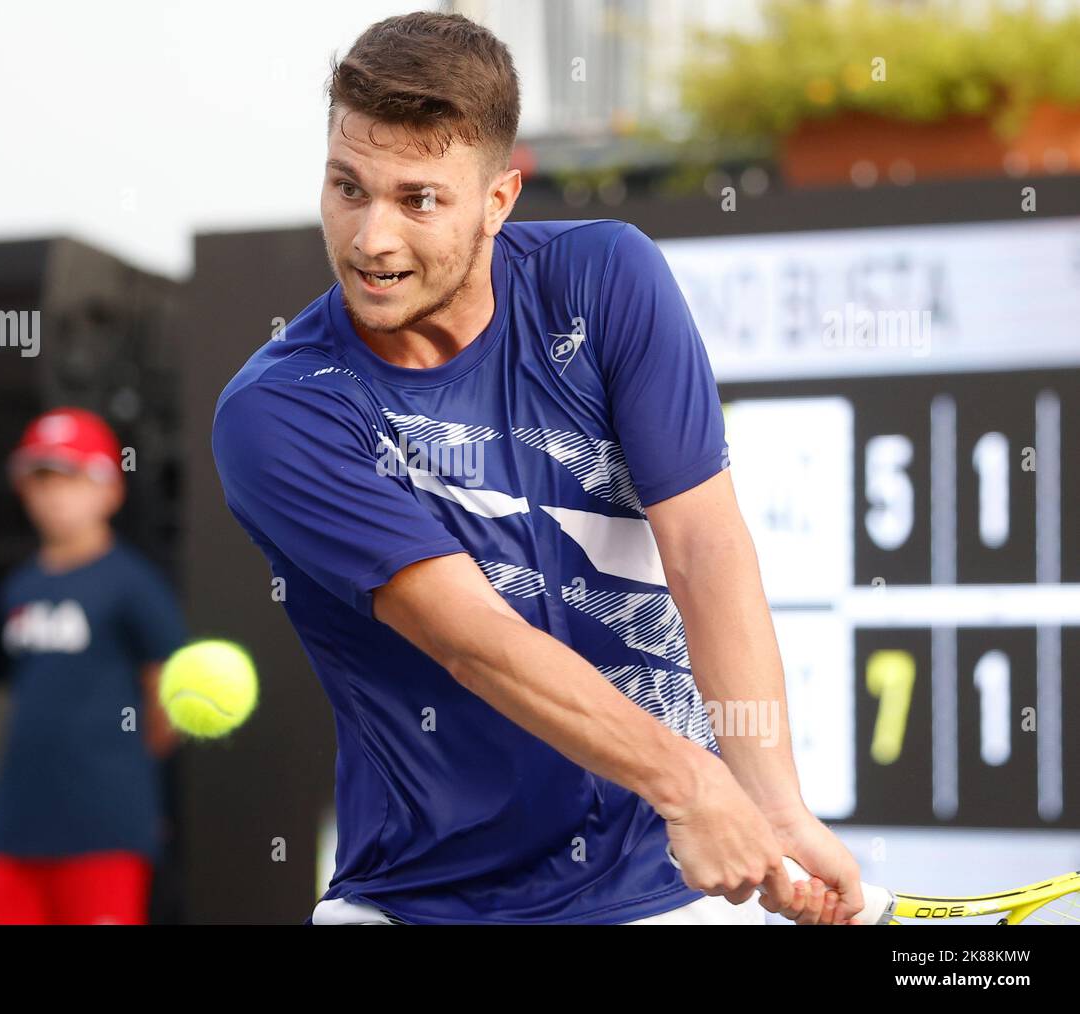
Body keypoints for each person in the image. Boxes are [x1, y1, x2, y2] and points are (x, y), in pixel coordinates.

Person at [213, 12, 864, 925]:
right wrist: (692, 785)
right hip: (417, 903)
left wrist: (775, 803)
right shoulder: (279, 411)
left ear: (500, 199)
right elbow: (473, 640)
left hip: (660, 888)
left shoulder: (608, 277)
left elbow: (705, 548)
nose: (371, 238)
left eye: (419, 199)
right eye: (347, 187)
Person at [0, 407, 186, 924]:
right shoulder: (19, 586)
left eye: (72, 476)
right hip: (13, 827)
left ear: (109, 490)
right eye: (42, 478)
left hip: (104, 829)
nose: (55, 493)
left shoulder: (135, 584)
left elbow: (167, 700)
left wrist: (118, 765)